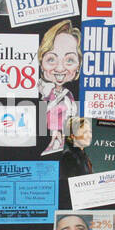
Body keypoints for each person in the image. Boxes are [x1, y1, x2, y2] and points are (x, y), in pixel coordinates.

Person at [38, 20, 80, 156]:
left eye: (69, 60)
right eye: (51, 59)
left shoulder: (69, 94)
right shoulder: (46, 92)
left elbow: (73, 109)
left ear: (79, 64)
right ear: (41, 63)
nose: (60, 68)